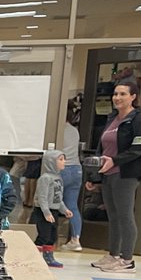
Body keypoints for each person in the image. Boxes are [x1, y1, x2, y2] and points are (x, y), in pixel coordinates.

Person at [86, 79, 141, 273]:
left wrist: (115, 161)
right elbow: (103, 147)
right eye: (115, 94)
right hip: (107, 173)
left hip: (126, 173)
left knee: (125, 214)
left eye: (123, 94)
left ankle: (127, 258)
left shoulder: (139, 119)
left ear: (133, 96)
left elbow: (140, 149)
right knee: (112, 214)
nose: (117, 98)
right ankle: (113, 254)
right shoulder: (112, 118)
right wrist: (94, 176)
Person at [32, 149, 73, 268]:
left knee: (52, 236)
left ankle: (48, 257)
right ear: (51, 162)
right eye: (60, 159)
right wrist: (46, 212)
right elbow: (42, 197)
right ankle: (33, 257)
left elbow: (58, 198)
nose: (64, 162)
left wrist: (64, 210)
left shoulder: (58, 178)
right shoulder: (45, 178)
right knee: (43, 235)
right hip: (43, 211)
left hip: (53, 211)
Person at [59, 99, 84, 250]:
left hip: (62, 169)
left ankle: (47, 239)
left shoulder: (57, 130)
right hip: (76, 169)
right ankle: (76, 239)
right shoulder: (74, 130)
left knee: (53, 203)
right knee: (72, 206)